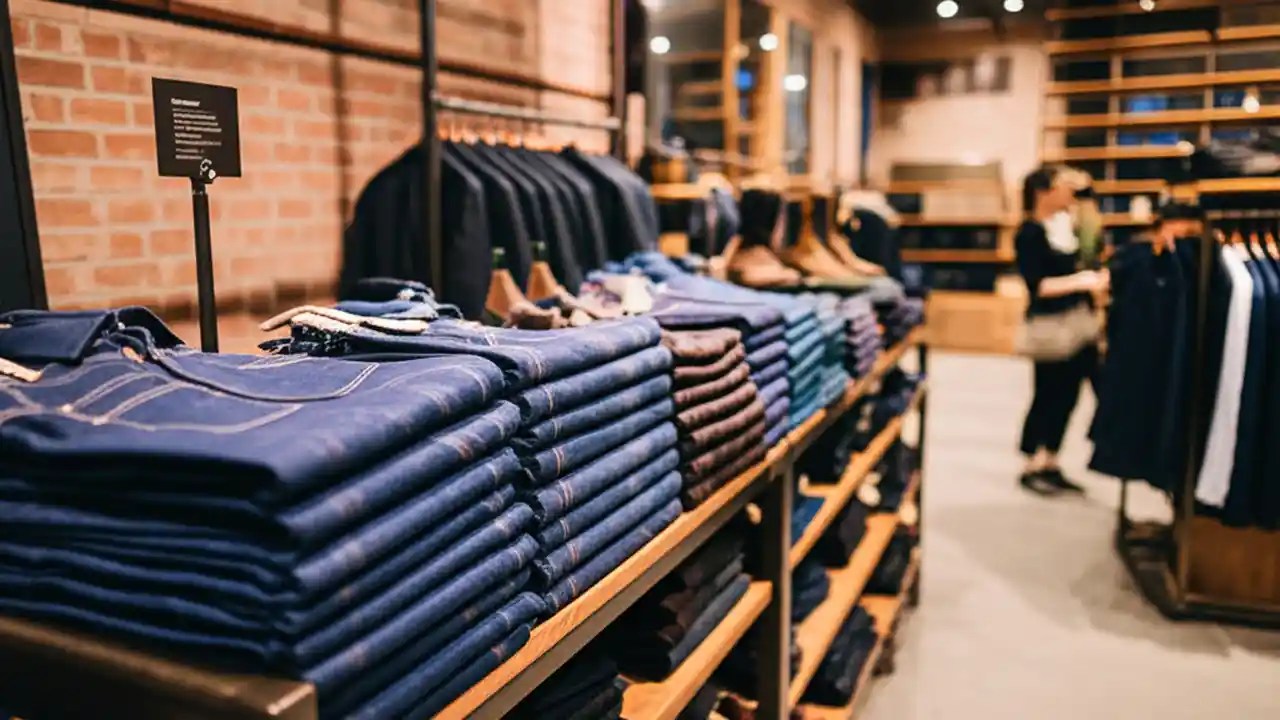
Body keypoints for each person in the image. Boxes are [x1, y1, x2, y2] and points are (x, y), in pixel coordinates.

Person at [1015, 166, 1110, 495]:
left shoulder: (1070, 226)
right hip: (1050, 325)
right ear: (1043, 192)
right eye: (1061, 186)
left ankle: (1051, 460)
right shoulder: (1030, 232)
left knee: (1070, 394)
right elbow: (1037, 285)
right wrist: (1081, 281)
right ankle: (1032, 461)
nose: (1068, 191)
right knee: (1047, 392)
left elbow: (1094, 244)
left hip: (1079, 323)